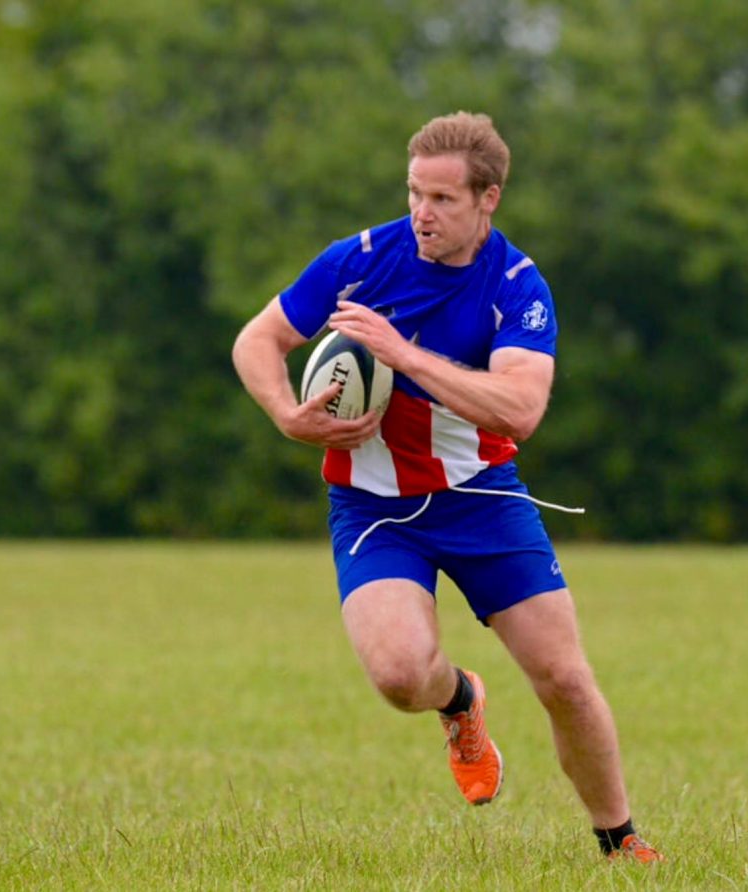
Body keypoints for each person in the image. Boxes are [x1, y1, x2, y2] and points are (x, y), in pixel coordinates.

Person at [232, 112, 661, 862]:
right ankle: (460, 700)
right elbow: (257, 338)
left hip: (482, 499)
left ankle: (619, 839)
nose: (421, 214)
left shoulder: (517, 286)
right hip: (373, 507)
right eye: (413, 195)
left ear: (487, 199)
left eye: (442, 200)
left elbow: (521, 409)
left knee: (563, 677)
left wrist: (404, 354)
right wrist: (284, 414)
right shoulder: (360, 259)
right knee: (400, 676)